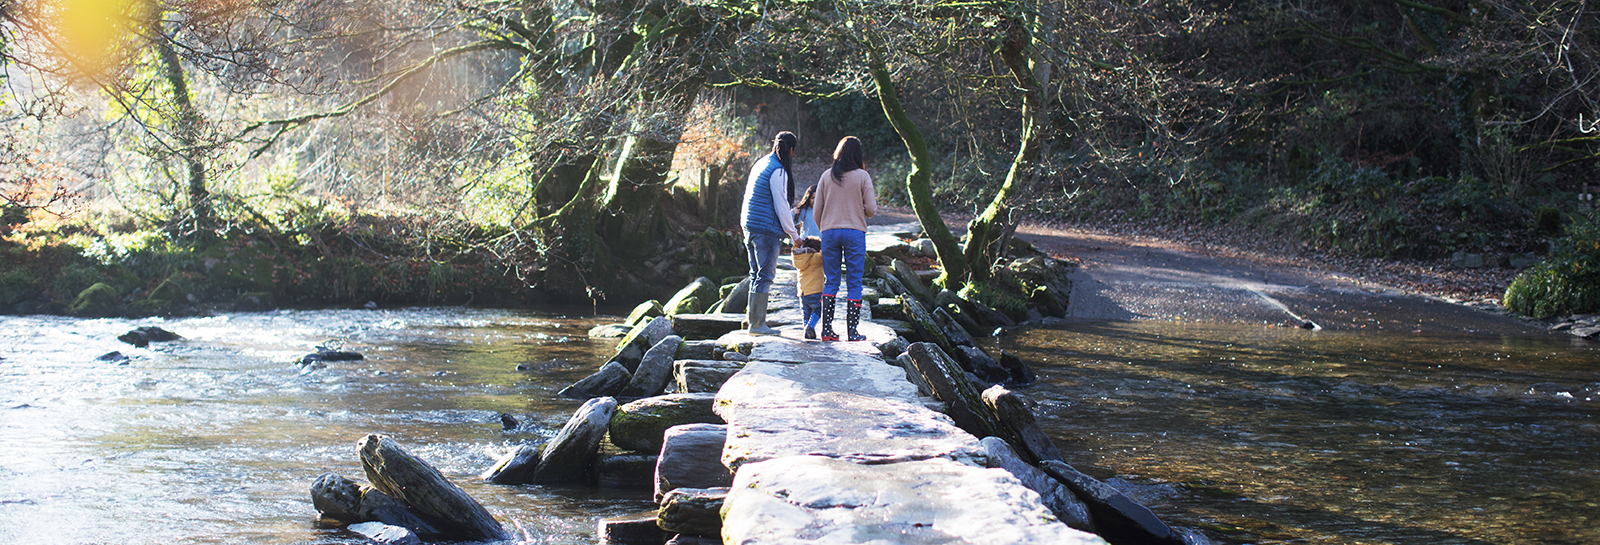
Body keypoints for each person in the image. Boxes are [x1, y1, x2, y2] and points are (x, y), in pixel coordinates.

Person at [812, 136, 877, 342]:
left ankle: (827, 330)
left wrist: (825, 228)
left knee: (831, 281)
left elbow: (816, 211)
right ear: (858, 154)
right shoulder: (862, 176)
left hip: (829, 232)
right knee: (854, 283)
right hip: (854, 232)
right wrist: (860, 209)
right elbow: (872, 211)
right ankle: (853, 332)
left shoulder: (826, 176)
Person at [739, 131, 800, 336]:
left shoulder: (762, 163)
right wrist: (794, 235)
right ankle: (757, 325)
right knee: (764, 276)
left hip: (750, 225)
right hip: (765, 230)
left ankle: (753, 323)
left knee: (755, 274)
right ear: (791, 150)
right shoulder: (778, 170)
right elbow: (781, 205)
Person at [792, 236, 825, 339]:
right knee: (818, 310)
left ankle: (807, 332)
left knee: (805, 313)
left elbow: (796, 249)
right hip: (815, 290)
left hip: (802, 291)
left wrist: (797, 244)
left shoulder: (798, 257)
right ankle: (810, 326)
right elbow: (826, 253)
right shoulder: (816, 258)